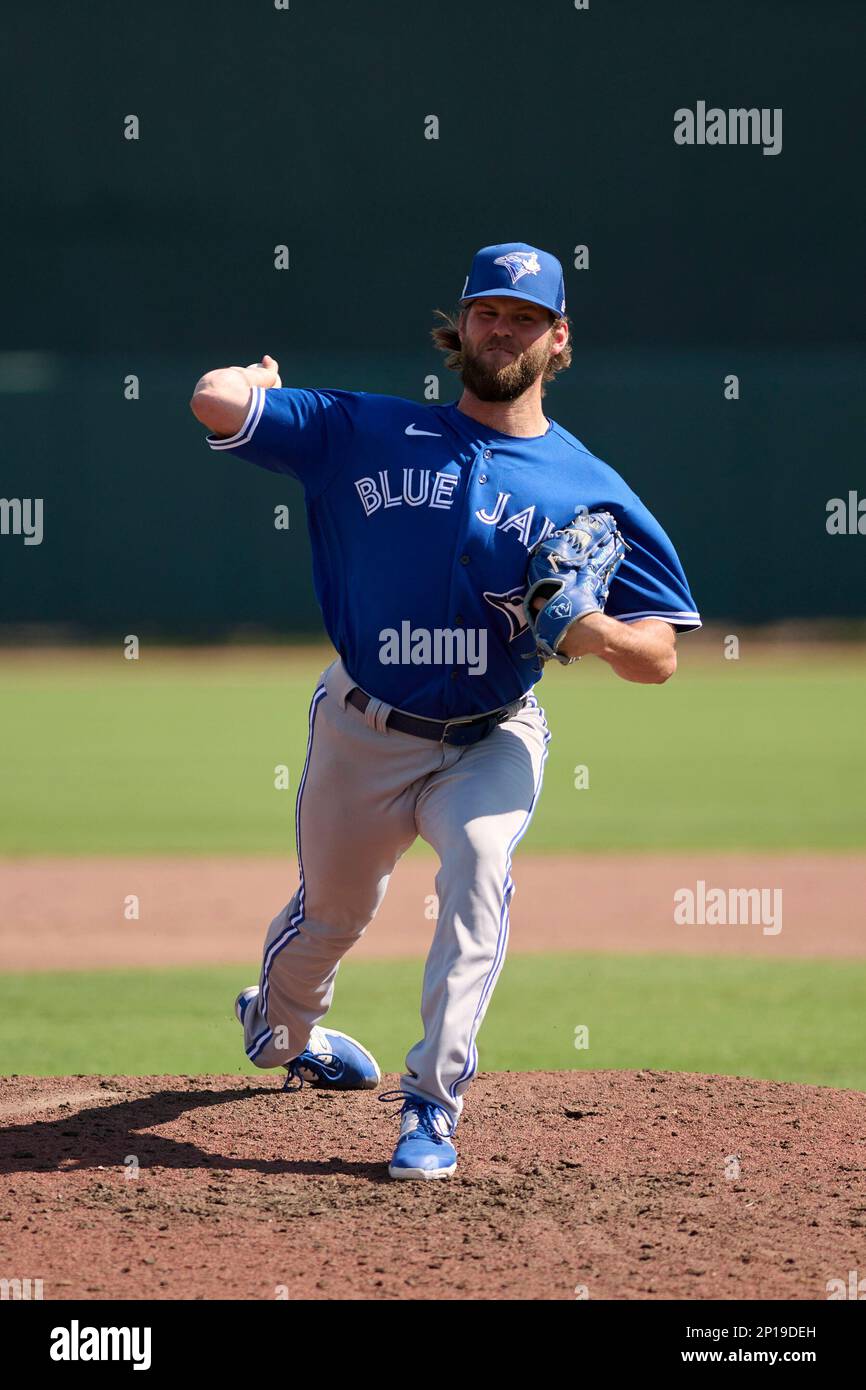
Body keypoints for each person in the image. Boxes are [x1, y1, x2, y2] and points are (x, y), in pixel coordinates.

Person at [190, 241, 700, 1180]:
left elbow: (659, 655)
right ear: (460, 326)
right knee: (333, 919)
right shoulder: (363, 432)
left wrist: (591, 634)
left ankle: (431, 1105)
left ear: (558, 340)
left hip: (493, 733)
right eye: (486, 312)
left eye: (524, 318)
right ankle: (281, 1029)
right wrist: (252, 378)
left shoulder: (591, 488)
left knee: (479, 868)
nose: (501, 329)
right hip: (364, 726)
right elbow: (216, 403)